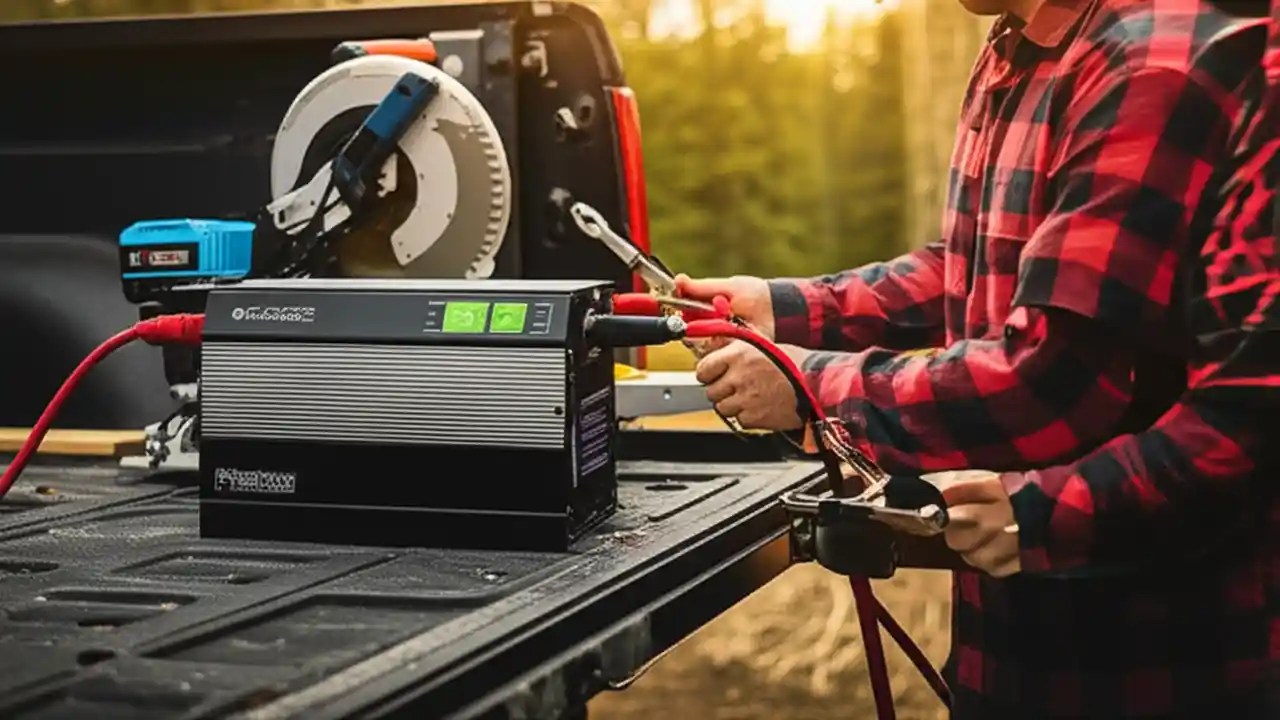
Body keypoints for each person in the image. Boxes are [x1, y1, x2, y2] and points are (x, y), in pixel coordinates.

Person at [677, 0, 1276, 716]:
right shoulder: (1014, 44)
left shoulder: (1147, 57)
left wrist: (809, 389)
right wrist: (783, 308)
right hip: (1011, 642)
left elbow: (1054, 379)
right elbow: (970, 266)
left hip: (1149, 658)